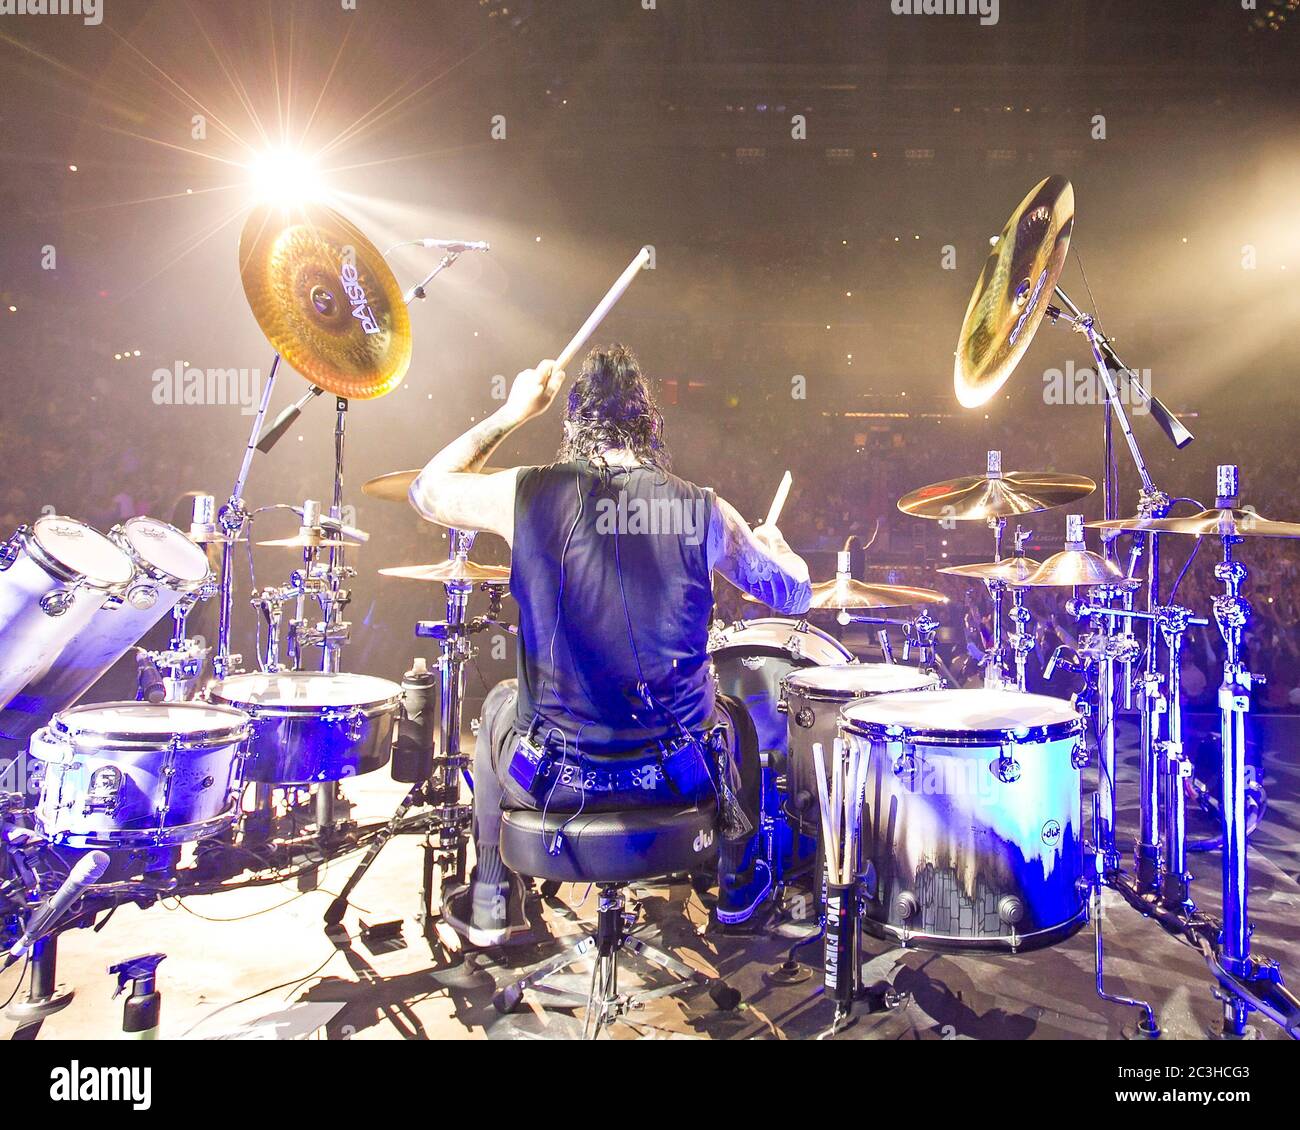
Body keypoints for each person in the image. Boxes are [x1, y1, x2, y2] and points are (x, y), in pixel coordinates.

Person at [409, 344, 812, 945]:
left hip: (553, 779)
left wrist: (515, 412)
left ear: (573, 425)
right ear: (649, 425)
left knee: (497, 706)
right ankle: (739, 888)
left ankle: (493, 899)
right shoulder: (702, 511)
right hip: (680, 775)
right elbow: (795, 596)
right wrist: (776, 550)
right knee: (735, 718)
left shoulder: (524, 494)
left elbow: (426, 489)